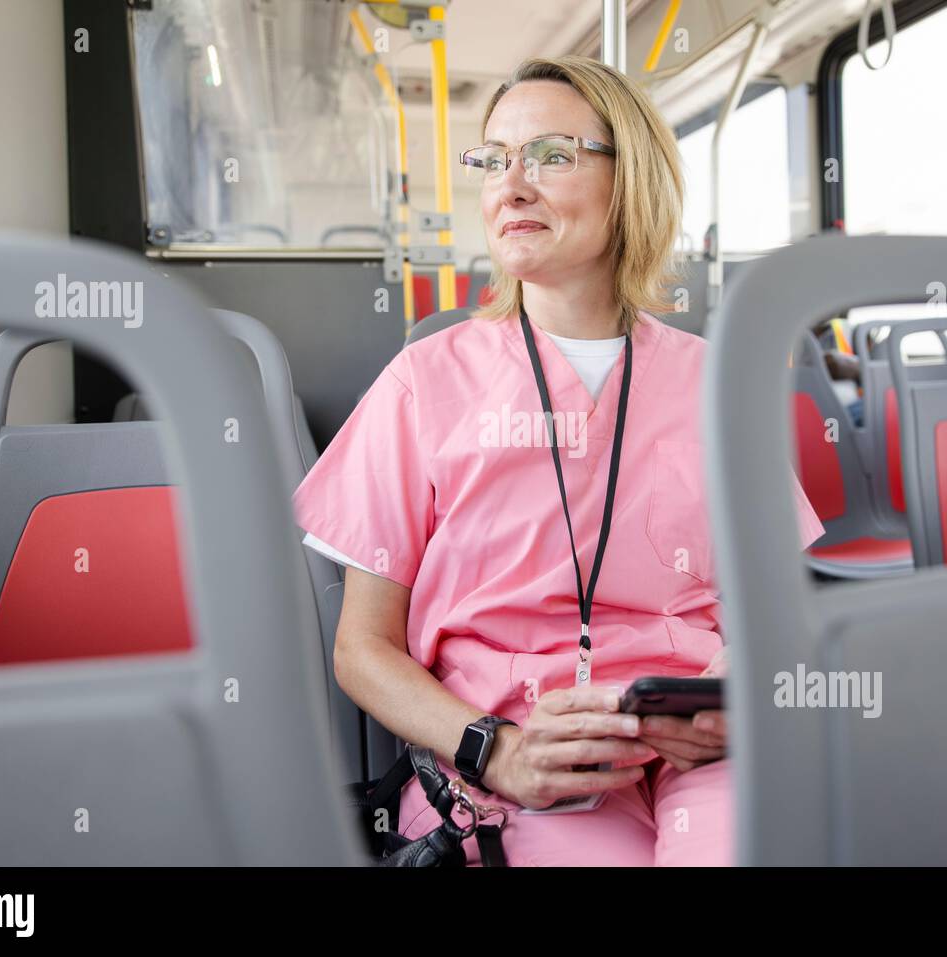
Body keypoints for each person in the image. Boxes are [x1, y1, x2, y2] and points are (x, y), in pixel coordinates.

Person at [293, 55, 824, 867]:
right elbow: (361, 648)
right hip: (512, 758)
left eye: (549, 155)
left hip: (699, 756)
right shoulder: (425, 383)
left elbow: (773, 608)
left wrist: (736, 696)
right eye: (494, 159)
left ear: (631, 177)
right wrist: (491, 748)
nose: (512, 184)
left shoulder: (711, 379)